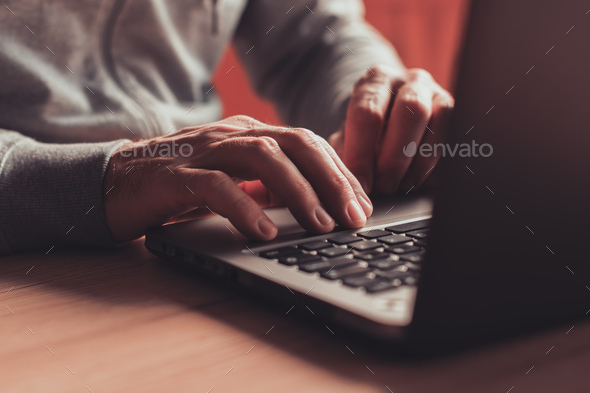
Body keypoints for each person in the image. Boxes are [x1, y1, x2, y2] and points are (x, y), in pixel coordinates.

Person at [0, 0, 453, 254]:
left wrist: (373, 105)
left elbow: (315, 42)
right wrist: (106, 177)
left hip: (207, 229)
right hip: (28, 261)